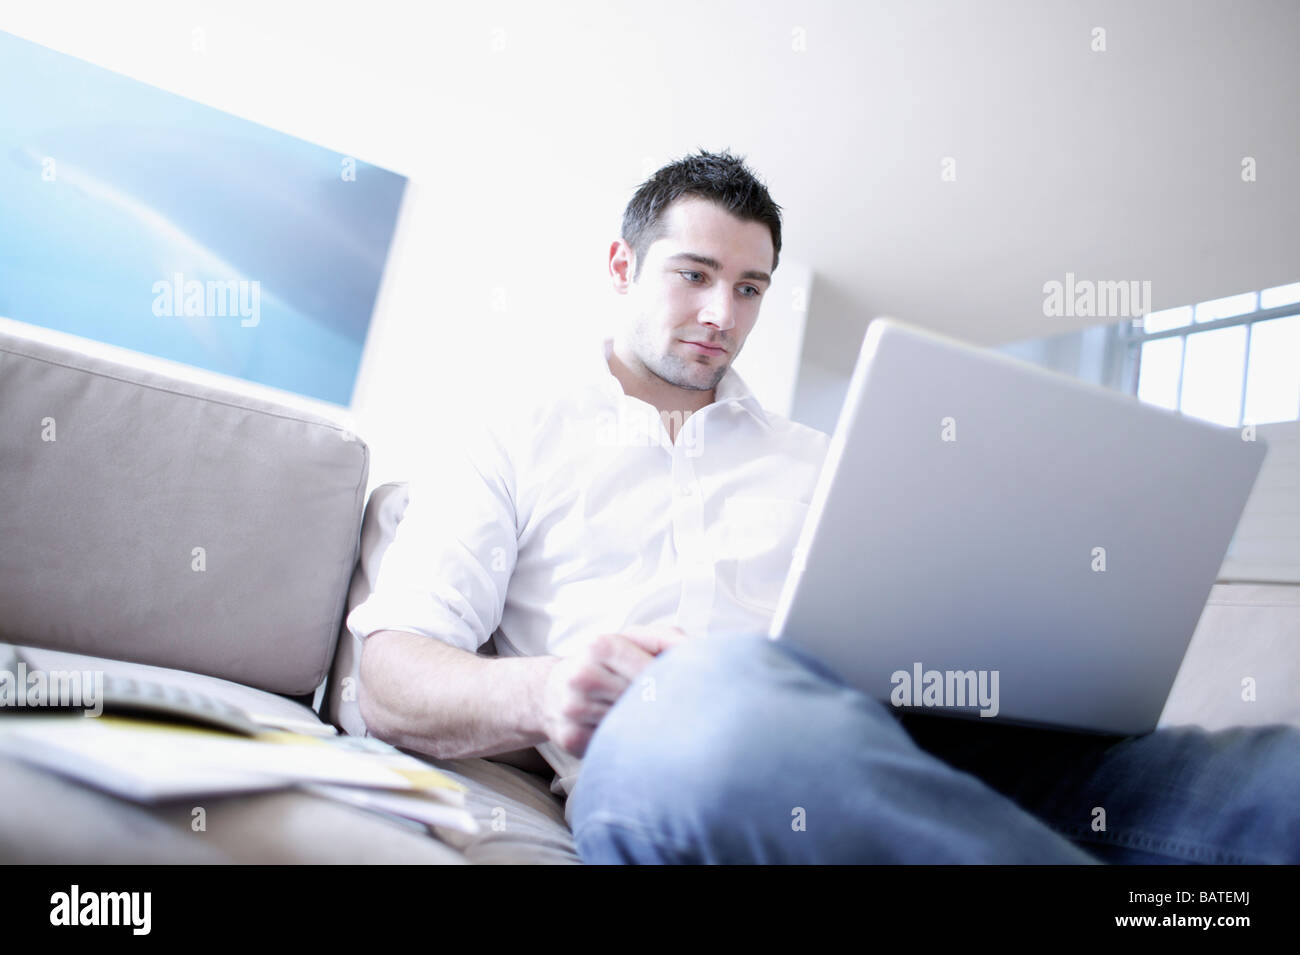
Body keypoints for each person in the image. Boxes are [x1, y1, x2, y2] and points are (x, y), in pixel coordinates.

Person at [348, 149, 1300, 864]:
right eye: (694, 274)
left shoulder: (824, 462)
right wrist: (548, 689)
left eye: (750, 287)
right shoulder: (511, 431)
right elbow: (389, 678)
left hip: (906, 747)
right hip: (674, 750)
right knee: (726, 690)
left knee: (1270, 780)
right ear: (621, 264)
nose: (724, 313)